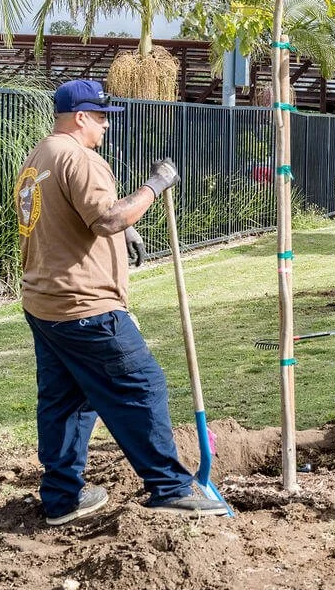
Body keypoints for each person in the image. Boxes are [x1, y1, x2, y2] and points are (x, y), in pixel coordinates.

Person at [15, 78, 227, 526]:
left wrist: (123, 229)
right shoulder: (82, 158)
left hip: (45, 305)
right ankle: (169, 488)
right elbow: (107, 217)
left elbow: (72, 214)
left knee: (67, 400)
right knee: (141, 386)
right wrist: (155, 185)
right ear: (81, 117)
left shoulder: (40, 157)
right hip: (86, 307)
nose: (108, 126)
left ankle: (62, 498)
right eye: (103, 117)